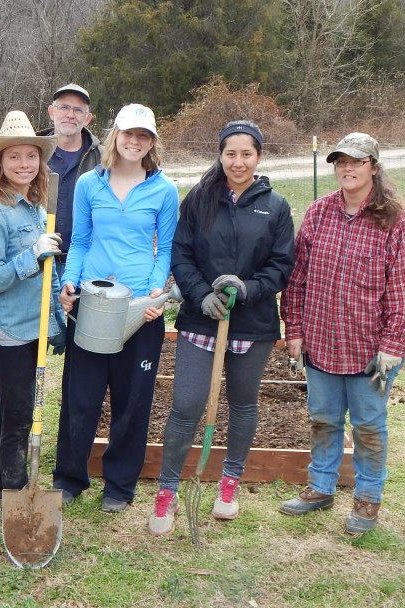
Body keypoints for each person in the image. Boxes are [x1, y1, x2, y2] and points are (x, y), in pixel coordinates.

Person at [148, 120, 295, 536]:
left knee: (243, 404)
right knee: (186, 404)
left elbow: (282, 266)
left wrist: (246, 288)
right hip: (200, 321)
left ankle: (228, 485)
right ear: (220, 155)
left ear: (259, 157)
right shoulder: (199, 200)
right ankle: (168, 489)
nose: (238, 161)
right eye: (230, 153)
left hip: (252, 325)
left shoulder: (276, 206)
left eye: (246, 153)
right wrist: (200, 296)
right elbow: (181, 254)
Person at [279, 132, 405, 536]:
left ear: (374, 167)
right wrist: (295, 329)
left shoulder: (396, 221)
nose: (347, 168)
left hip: (371, 352)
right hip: (321, 341)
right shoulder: (320, 213)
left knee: (368, 425)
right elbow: (298, 277)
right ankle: (321, 485)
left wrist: (393, 347)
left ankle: (368, 497)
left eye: (357, 161)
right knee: (323, 417)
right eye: (341, 161)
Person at [52, 103, 180, 513]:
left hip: (138, 310)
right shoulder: (90, 184)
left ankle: (120, 485)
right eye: (128, 133)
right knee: (81, 397)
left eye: (143, 136)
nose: (134, 141)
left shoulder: (164, 190)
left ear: (151, 143)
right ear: (115, 136)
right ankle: (69, 476)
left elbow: (166, 250)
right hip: (92, 303)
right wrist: (69, 282)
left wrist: (155, 294)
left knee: (132, 399)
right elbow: (82, 240)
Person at [0, 110, 66, 502]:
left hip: (37, 322)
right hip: (8, 328)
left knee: (9, 401)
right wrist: (32, 256)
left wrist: (58, 316)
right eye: (14, 157)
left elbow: (50, 271)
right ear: (0, 163)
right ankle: (14, 488)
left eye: (31, 156)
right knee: (21, 411)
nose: (24, 164)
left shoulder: (33, 205)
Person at [40, 83, 101, 277]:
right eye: (64, 107)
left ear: (88, 118)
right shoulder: (32, 153)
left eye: (78, 110)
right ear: (51, 112)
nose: (70, 114)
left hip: (85, 263)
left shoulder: (103, 158)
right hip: (38, 261)